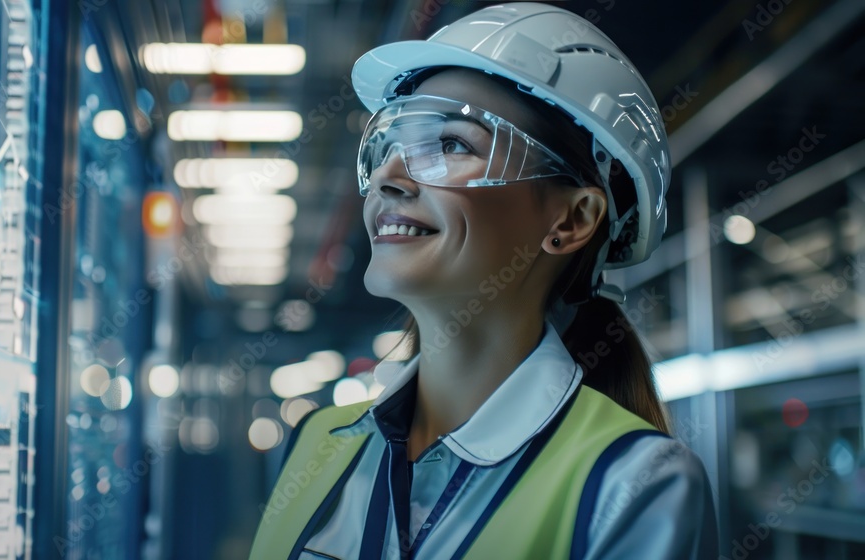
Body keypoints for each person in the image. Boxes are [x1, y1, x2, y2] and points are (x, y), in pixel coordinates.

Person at [250, 3, 718, 559]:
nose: (387, 178)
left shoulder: (636, 485)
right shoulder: (316, 443)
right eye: (390, 146)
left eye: (451, 145)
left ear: (571, 221)